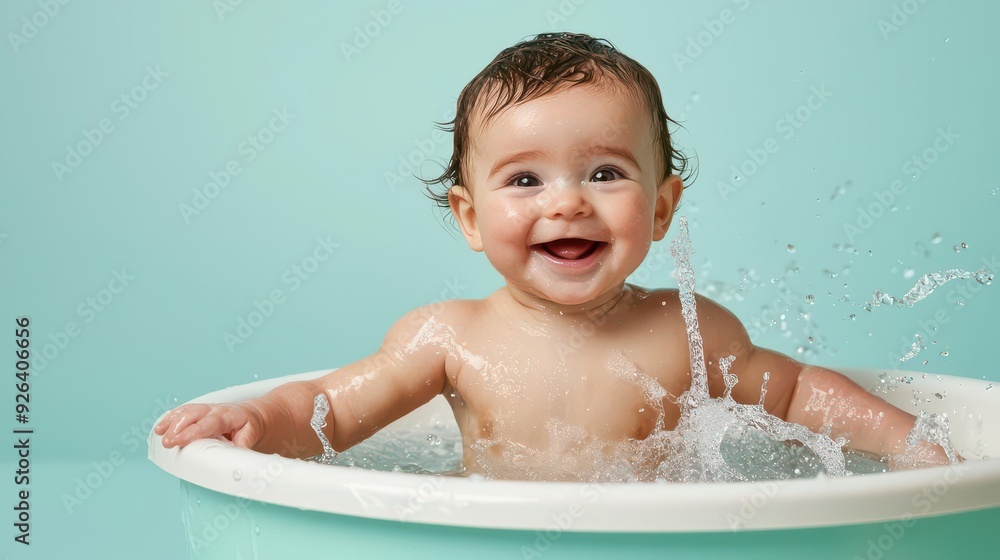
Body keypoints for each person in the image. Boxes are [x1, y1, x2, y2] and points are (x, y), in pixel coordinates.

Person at [155, 32, 948, 480]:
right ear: (469, 217)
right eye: (524, 179)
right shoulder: (448, 337)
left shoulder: (689, 331)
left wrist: (911, 442)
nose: (566, 202)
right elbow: (328, 411)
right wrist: (254, 418)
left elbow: (800, 394)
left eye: (605, 173)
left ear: (663, 207)